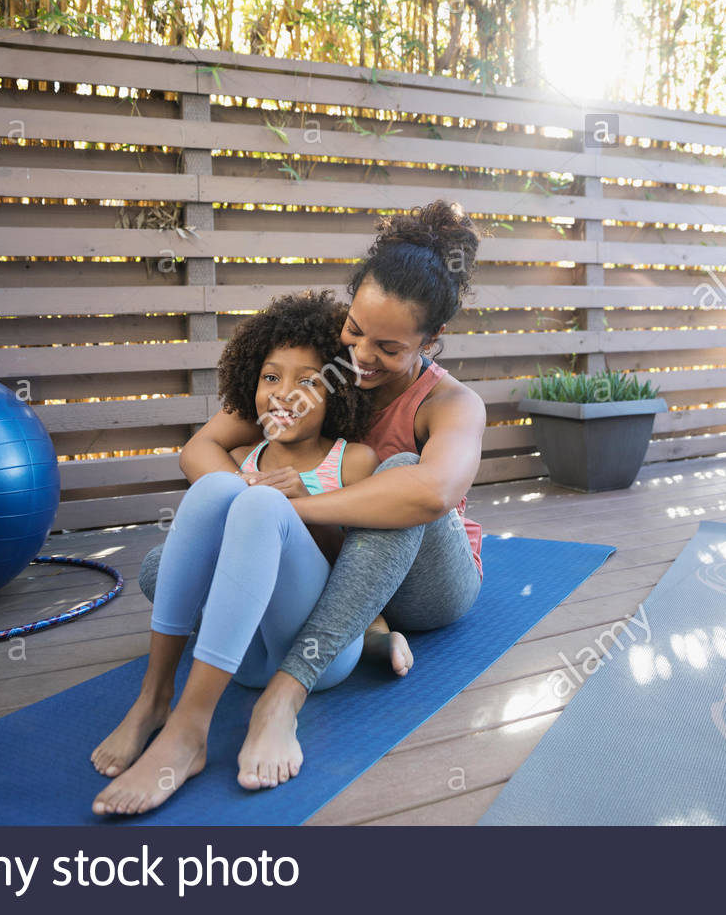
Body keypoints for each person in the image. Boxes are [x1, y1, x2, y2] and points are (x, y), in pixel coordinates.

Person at [139, 198, 488, 791]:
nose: (360, 355)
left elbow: (429, 493)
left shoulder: (451, 404)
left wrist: (286, 509)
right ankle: (363, 637)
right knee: (159, 568)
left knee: (399, 476)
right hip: (330, 569)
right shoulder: (319, 365)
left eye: (389, 348)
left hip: (426, 586)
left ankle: (283, 696)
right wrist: (245, 493)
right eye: (355, 329)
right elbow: (202, 448)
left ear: (432, 339)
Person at [89, 290, 388, 815]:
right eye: (271, 377)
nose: (284, 394)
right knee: (214, 490)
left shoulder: (355, 462)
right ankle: (154, 696)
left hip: (316, 655)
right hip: (241, 661)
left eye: (307, 381)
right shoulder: (238, 456)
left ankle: (189, 731)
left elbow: (360, 568)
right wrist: (249, 492)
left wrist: (297, 507)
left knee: (259, 506)